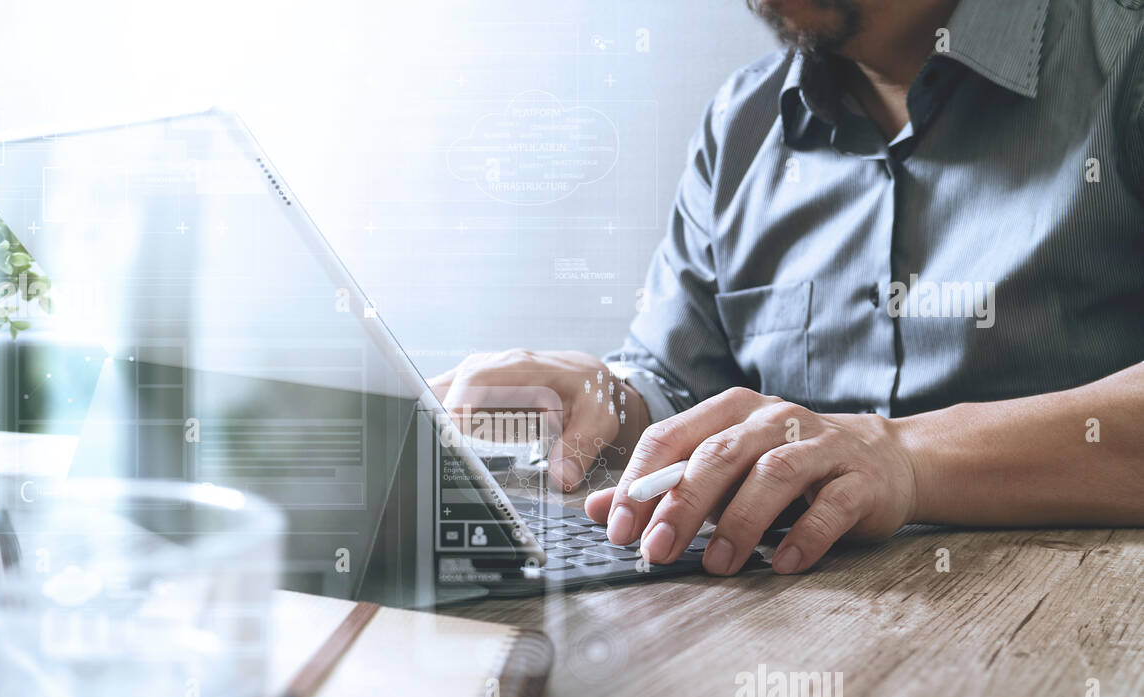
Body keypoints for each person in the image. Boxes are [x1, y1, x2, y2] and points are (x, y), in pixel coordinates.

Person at [429, 0, 1144, 577]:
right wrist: (617, 399)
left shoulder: (1125, 55)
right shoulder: (743, 124)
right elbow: (678, 378)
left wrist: (905, 458)